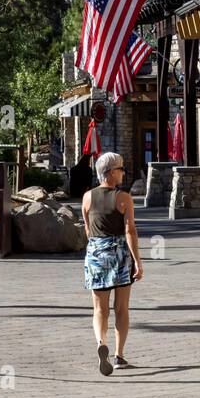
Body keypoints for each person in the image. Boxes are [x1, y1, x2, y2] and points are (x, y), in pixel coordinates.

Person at [81, 151, 142, 375]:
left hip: (96, 253)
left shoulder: (87, 197)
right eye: (121, 169)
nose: (123, 172)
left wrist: (97, 249)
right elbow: (130, 231)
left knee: (99, 308)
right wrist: (137, 261)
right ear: (110, 173)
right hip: (119, 254)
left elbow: (88, 230)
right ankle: (119, 355)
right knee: (121, 307)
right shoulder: (123, 197)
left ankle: (100, 343)